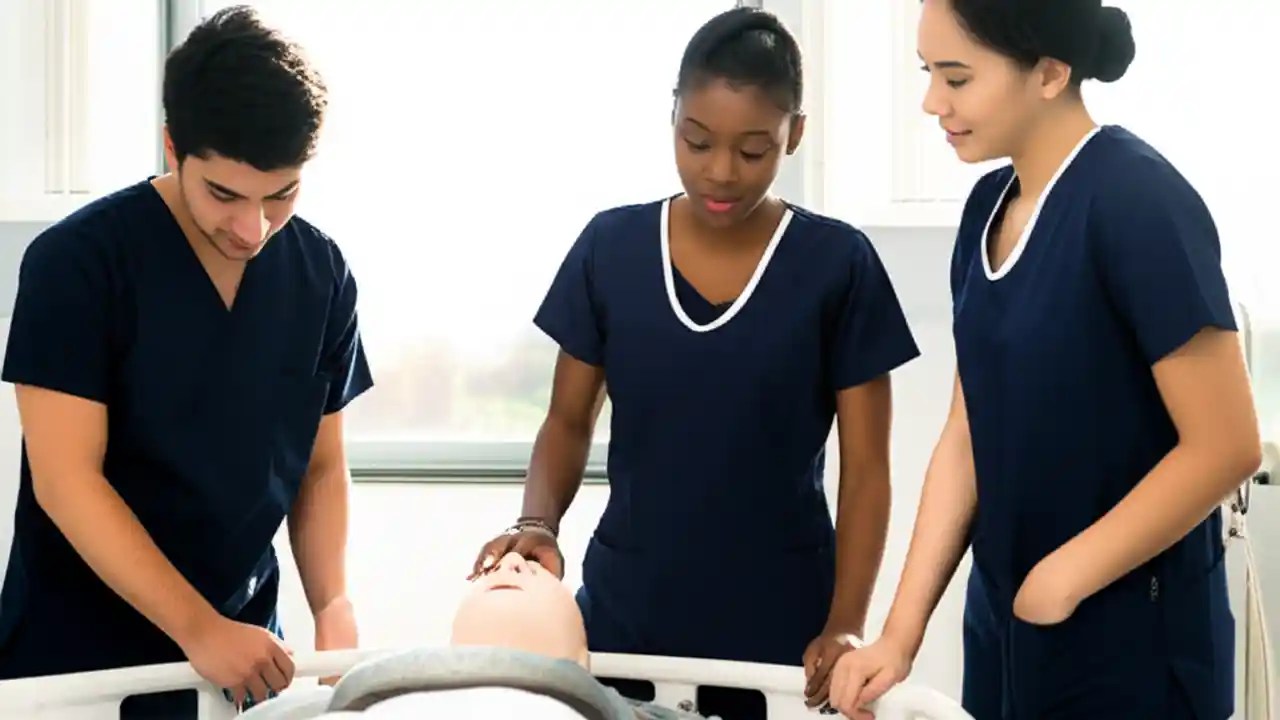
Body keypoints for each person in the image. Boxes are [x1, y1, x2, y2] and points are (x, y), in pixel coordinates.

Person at [470, 7, 920, 718]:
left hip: (782, 629)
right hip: (626, 618)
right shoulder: (610, 249)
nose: (720, 172)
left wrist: (844, 622)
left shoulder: (838, 266)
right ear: (673, 116)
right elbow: (566, 418)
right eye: (697, 140)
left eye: (753, 150)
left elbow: (867, 472)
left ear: (794, 135)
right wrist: (539, 522)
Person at [828, 1, 1262, 719]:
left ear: (1051, 73)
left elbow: (1226, 445)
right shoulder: (985, 210)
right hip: (1006, 623)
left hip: (1127, 632)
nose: (934, 102)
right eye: (928, 73)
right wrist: (898, 637)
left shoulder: (1138, 201)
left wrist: (1063, 578)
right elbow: (967, 439)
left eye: (957, 78)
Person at [0, 5, 372, 717]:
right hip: (77, 661)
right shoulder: (78, 265)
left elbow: (319, 466)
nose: (253, 227)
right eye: (225, 194)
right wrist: (197, 628)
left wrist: (333, 603)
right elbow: (65, 480)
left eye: (282, 195)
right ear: (173, 145)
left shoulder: (322, 274)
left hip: (241, 655)